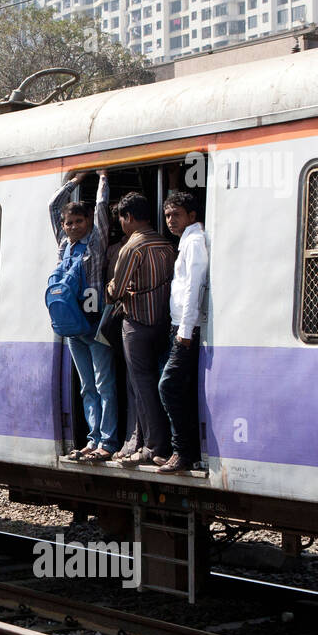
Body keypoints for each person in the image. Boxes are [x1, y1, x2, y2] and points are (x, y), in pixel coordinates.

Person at [48, 169, 116, 461]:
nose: (74, 226)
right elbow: (52, 207)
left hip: (96, 323)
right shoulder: (64, 245)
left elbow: (102, 208)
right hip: (73, 326)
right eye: (69, 222)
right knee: (88, 385)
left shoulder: (96, 241)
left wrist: (101, 178)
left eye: (79, 221)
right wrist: (74, 182)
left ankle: (108, 441)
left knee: (104, 384)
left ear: (88, 222)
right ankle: (92, 437)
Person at [106, 192, 176, 466]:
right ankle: (152, 441)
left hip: (137, 324)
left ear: (129, 218)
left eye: (121, 219)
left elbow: (115, 291)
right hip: (163, 322)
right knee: (157, 384)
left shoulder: (132, 248)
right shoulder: (166, 244)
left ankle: (153, 446)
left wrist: (109, 288)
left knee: (142, 385)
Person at [157, 191, 209, 474]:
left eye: (176, 214)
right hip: (179, 326)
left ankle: (181, 452)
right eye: (167, 215)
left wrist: (186, 330)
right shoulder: (185, 241)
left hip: (186, 329)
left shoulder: (194, 241)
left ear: (192, 216)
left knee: (169, 386)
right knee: (181, 390)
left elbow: (194, 287)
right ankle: (182, 450)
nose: (170, 220)